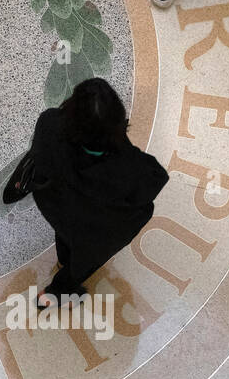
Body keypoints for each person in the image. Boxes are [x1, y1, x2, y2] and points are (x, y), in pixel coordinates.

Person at [13, 79, 169, 304]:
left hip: (56, 206)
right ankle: (58, 292)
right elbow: (151, 187)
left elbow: (39, 156)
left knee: (66, 235)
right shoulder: (134, 168)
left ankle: (63, 260)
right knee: (84, 262)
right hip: (99, 228)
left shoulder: (49, 123)